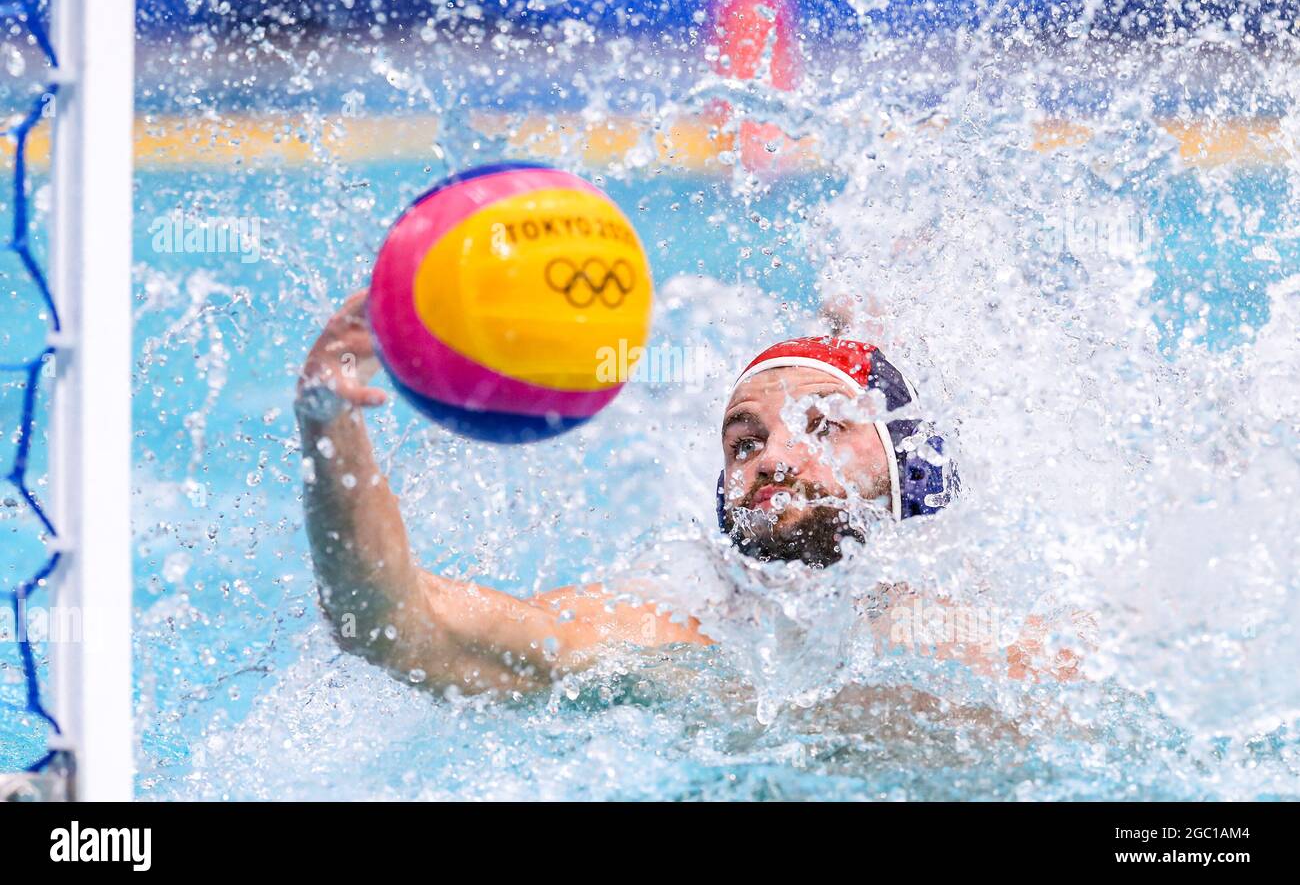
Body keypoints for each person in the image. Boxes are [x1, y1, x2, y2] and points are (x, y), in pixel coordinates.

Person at [296, 290, 1070, 696]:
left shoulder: (1008, 653)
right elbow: (391, 627)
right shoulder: (683, 631)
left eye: (823, 426)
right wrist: (331, 436)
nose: (774, 458)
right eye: (745, 440)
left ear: (913, 467)